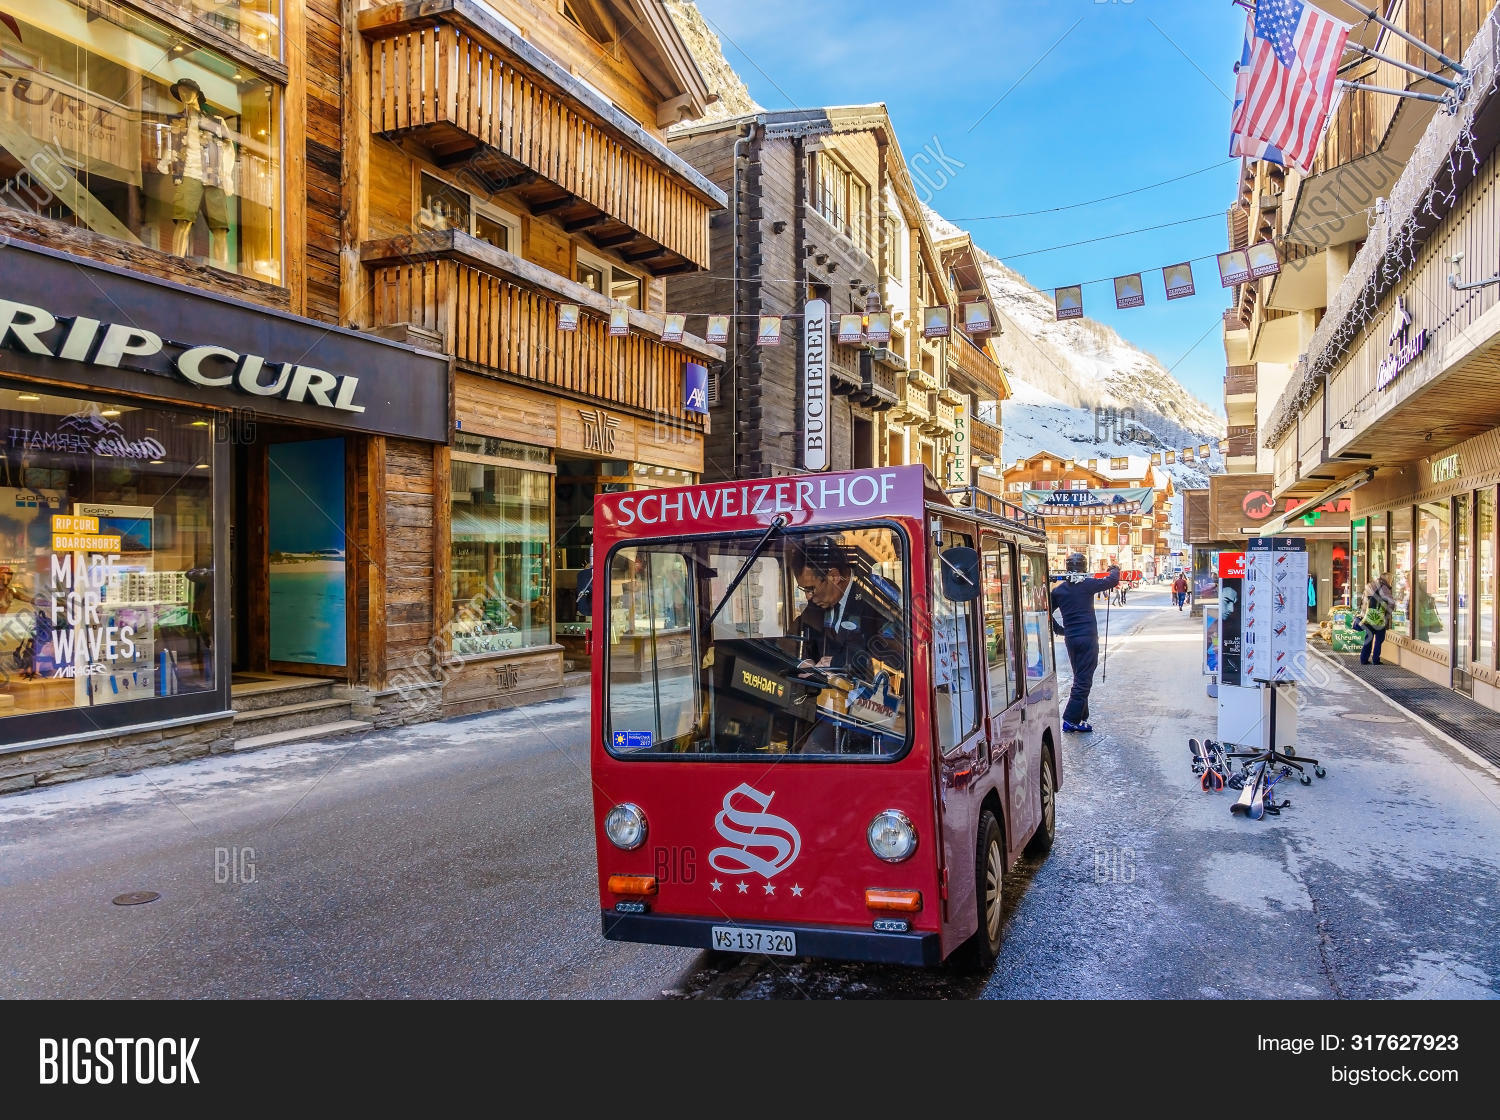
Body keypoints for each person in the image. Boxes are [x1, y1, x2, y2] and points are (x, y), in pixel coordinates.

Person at [1050, 553, 1120, 734]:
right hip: (1088, 638)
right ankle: (1070, 720)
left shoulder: (1058, 591)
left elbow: (1044, 612)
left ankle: (1081, 718)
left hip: (1071, 639)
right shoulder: (1088, 585)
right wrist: (1114, 568)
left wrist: (1059, 629)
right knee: (1083, 680)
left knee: (1080, 676)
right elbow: (1112, 581)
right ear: (1084, 567)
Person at [1359, 576, 1396, 665]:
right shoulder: (1384, 588)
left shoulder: (1369, 586)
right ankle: (1376, 660)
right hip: (1379, 618)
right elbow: (1391, 603)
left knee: (1368, 638)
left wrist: (1364, 615)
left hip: (1368, 618)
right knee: (1379, 640)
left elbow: (1363, 602)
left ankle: (1363, 660)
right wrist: (1387, 615)